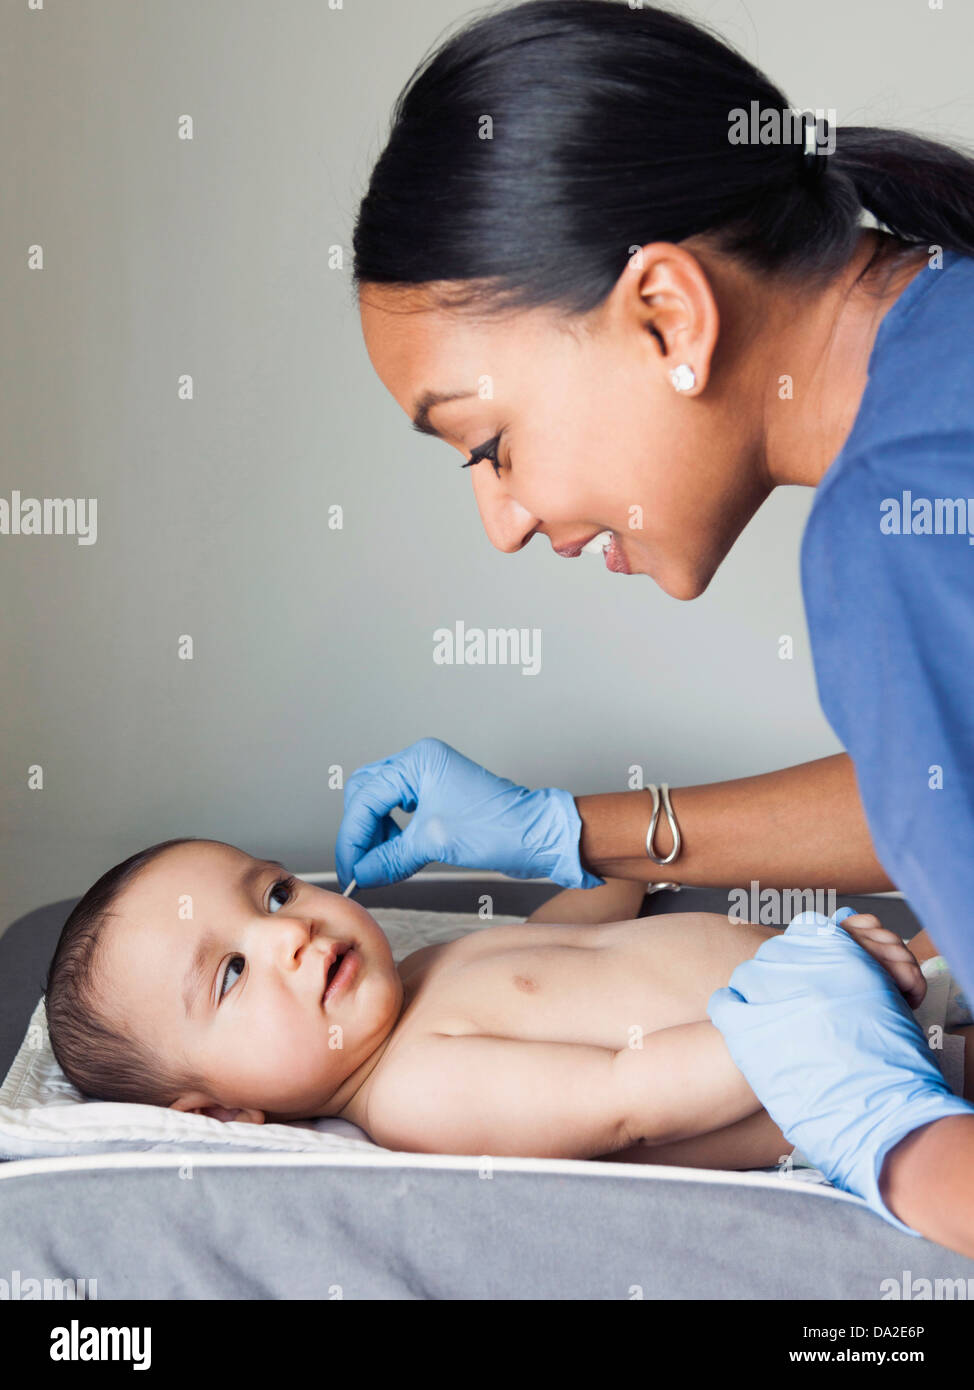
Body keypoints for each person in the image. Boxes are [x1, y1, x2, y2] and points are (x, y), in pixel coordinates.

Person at [336, 1, 974, 1253]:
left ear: (668, 315)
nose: (502, 524)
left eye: (487, 443)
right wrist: (570, 832)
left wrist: (892, 1144)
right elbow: (940, 772)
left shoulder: (890, 531)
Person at [42, 838, 974, 1179]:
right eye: (231, 974)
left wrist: (589, 852)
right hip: (850, 1076)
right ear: (220, 1113)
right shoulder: (416, 1095)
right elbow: (629, 1095)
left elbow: (565, 938)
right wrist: (807, 1012)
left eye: (276, 892)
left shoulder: (420, 973)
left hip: (857, 989)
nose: (288, 932)